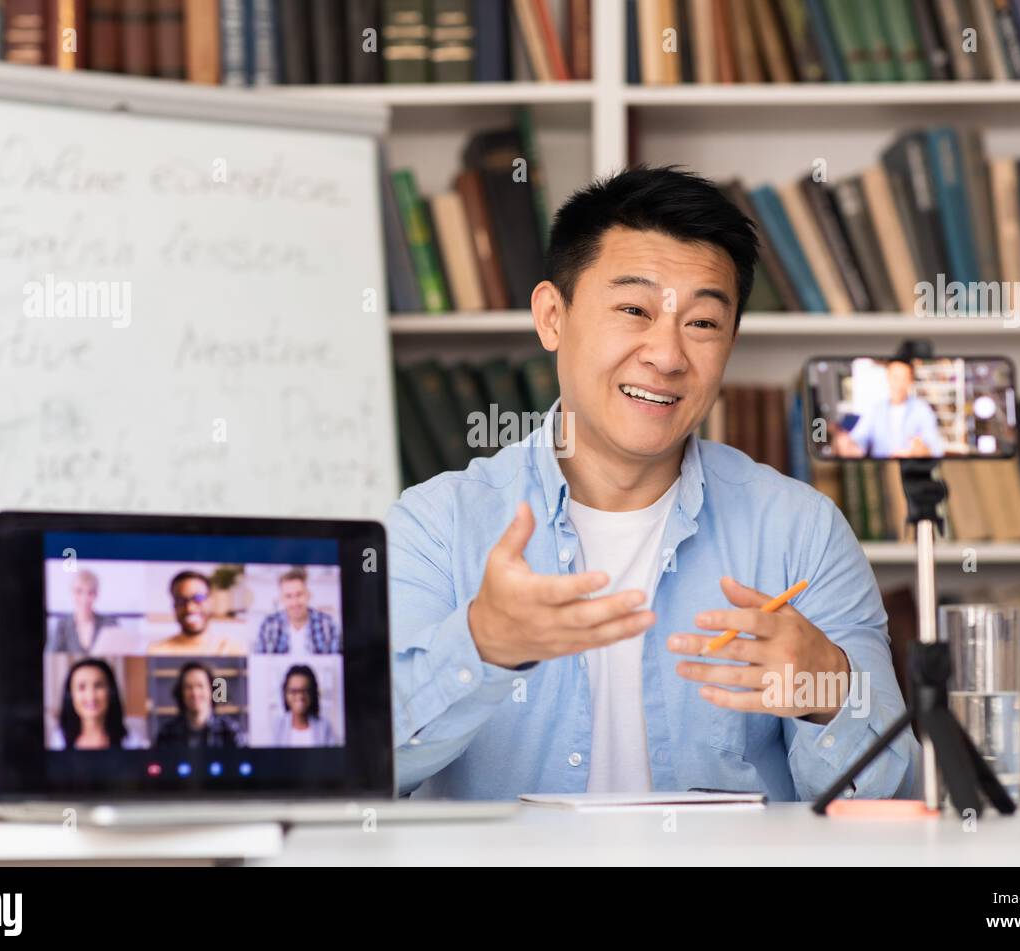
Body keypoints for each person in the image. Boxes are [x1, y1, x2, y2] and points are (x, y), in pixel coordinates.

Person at [385, 166, 919, 801]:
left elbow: (898, 799)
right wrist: (483, 646)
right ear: (552, 316)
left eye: (702, 323)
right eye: (634, 309)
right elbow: (363, 769)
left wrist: (827, 687)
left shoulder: (800, 529)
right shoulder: (433, 528)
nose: (667, 356)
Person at [843, 358, 945, 458]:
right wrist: (847, 444)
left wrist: (921, 451)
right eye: (895, 377)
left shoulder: (922, 410)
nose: (899, 384)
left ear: (911, 381)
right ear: (888, 377)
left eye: (904, 379)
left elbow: (936, 448)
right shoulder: (875, 410)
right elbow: (858, 441)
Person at [147, 570, 248, 656]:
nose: (190, 608)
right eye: (181, 601)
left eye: (198, 598)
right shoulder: (157, 651)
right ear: (174, 606)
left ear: (211, 601)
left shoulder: (232, 650)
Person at [50, 658, 139, 750]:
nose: (91, 696)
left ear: (111, 692)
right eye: (81, 687)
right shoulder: (59, 740)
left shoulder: (133, 742)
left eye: (98, 686)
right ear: (70, 695)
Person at [155, 661, 245, 748]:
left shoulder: (230, 732)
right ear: (181, 693)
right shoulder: (166, 734)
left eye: (200, 686)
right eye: (188, 687)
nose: (194, 693)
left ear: (212, 690)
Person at [255, 568, 341, 654]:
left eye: (299, 594)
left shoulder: (327, 624)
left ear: (308, 595)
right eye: (288, 596)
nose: (295, 602)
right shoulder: (268, 625)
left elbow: (336, 664)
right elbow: (260, 664)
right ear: (282, 598)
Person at [45, 569, 118, 654]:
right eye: (79, 591)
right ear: (72, 593)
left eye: (90, 592)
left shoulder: (109, 624)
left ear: (96, 594)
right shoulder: (62, 626)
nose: (85, 598)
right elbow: (50, 659)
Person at [271, 664, 338, 747]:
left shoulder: (324, 727)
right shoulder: (277, 727)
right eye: (294, 691)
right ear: (285, 694)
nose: (300, 696)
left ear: (313, 693)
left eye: (305, 690)